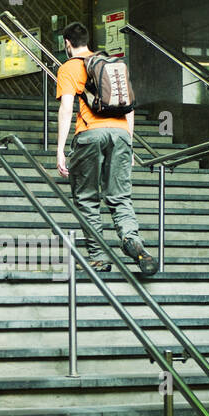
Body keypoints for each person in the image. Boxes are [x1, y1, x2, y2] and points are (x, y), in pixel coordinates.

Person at [55, 21, 158, 275]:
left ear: (68, 43)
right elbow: (129, 108)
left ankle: (99, 256)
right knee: (120, 197)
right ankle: (132, 240)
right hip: (121, 134)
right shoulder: (111, 65)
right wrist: (129, 144)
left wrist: (59, 149)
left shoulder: (69, 67)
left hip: (90, 135)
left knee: (87, 198)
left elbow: (67, 108)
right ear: (87, 41)